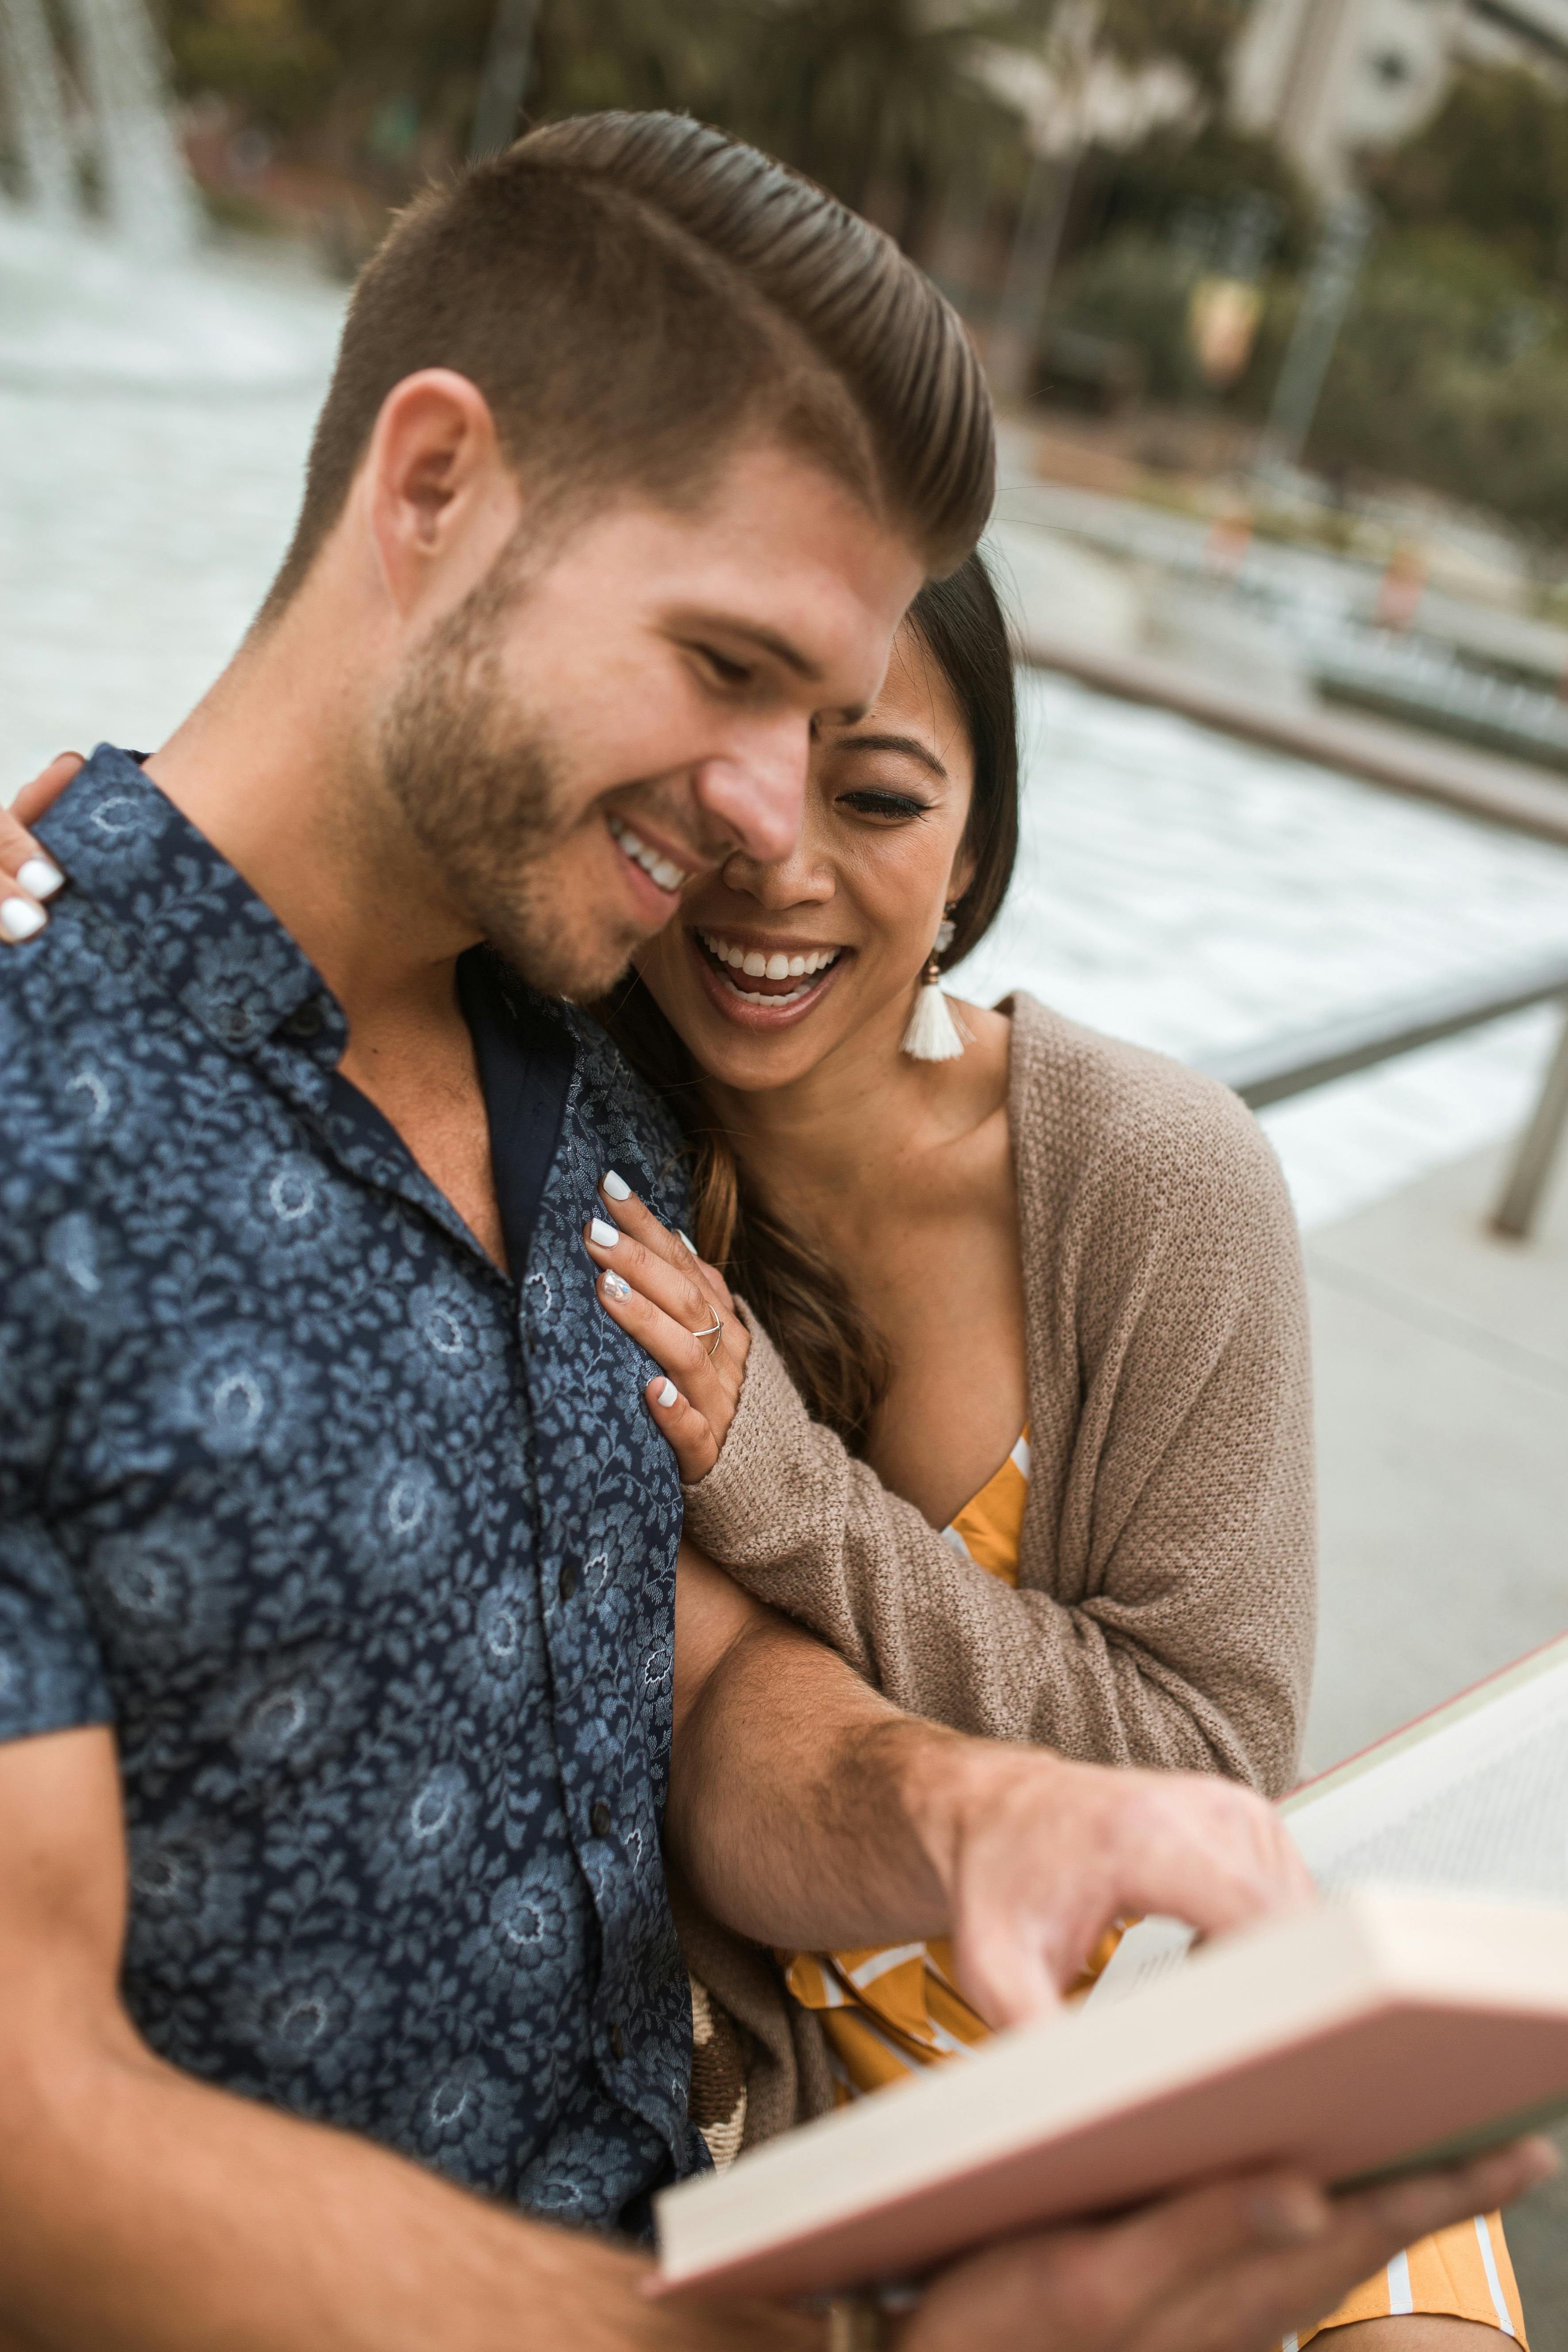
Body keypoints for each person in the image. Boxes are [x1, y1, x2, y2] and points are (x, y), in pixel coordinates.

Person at [0, 112, 1552, 2352]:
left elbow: (696, 1687)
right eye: (726, 669)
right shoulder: (39, 1106)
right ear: (429, 489)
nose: (758, 831)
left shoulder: (606, 1074)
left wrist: (962, 1818)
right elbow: (35, 2134)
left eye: (835, 732)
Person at [551, 549, 1534, 2351]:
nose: (780, 862)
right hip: (852, 2103)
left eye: (878, 797)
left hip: (1185, 2028)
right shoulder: (575, 1148)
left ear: (974, 859)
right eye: (730, 786)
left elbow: (1210, 1758)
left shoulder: (1157, 1183)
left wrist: (785, 1485)